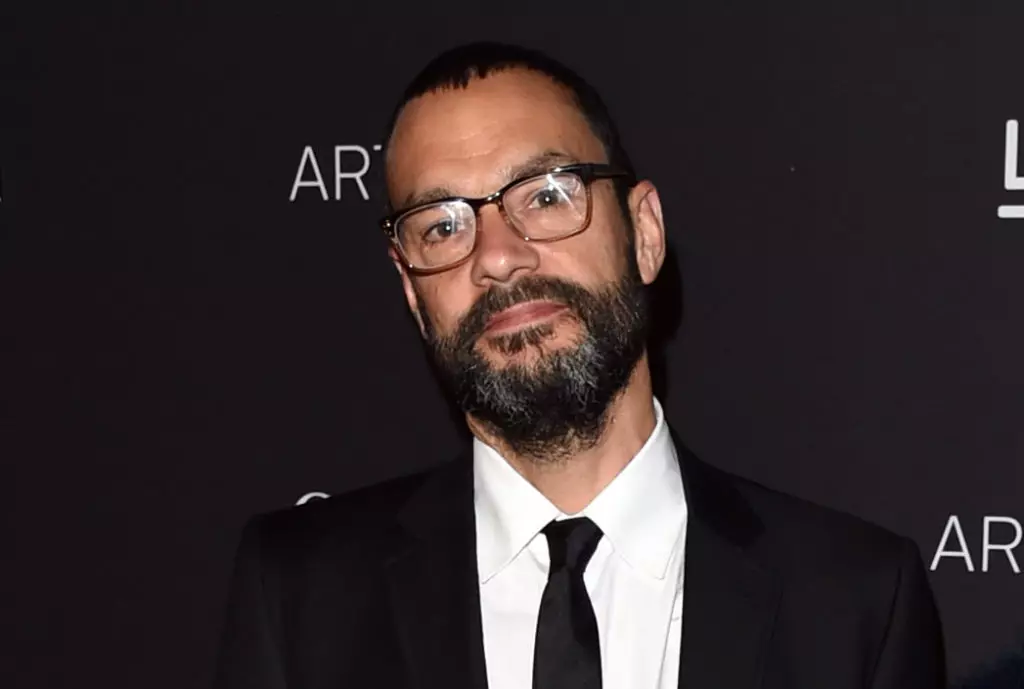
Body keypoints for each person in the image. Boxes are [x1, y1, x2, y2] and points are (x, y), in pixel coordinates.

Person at [213, 41, 946, 689]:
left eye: (548, 194)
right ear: (411, 289)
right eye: (443, 225)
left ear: (645, 232)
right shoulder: (301, 595)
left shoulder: (854, 604)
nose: (497, 255)